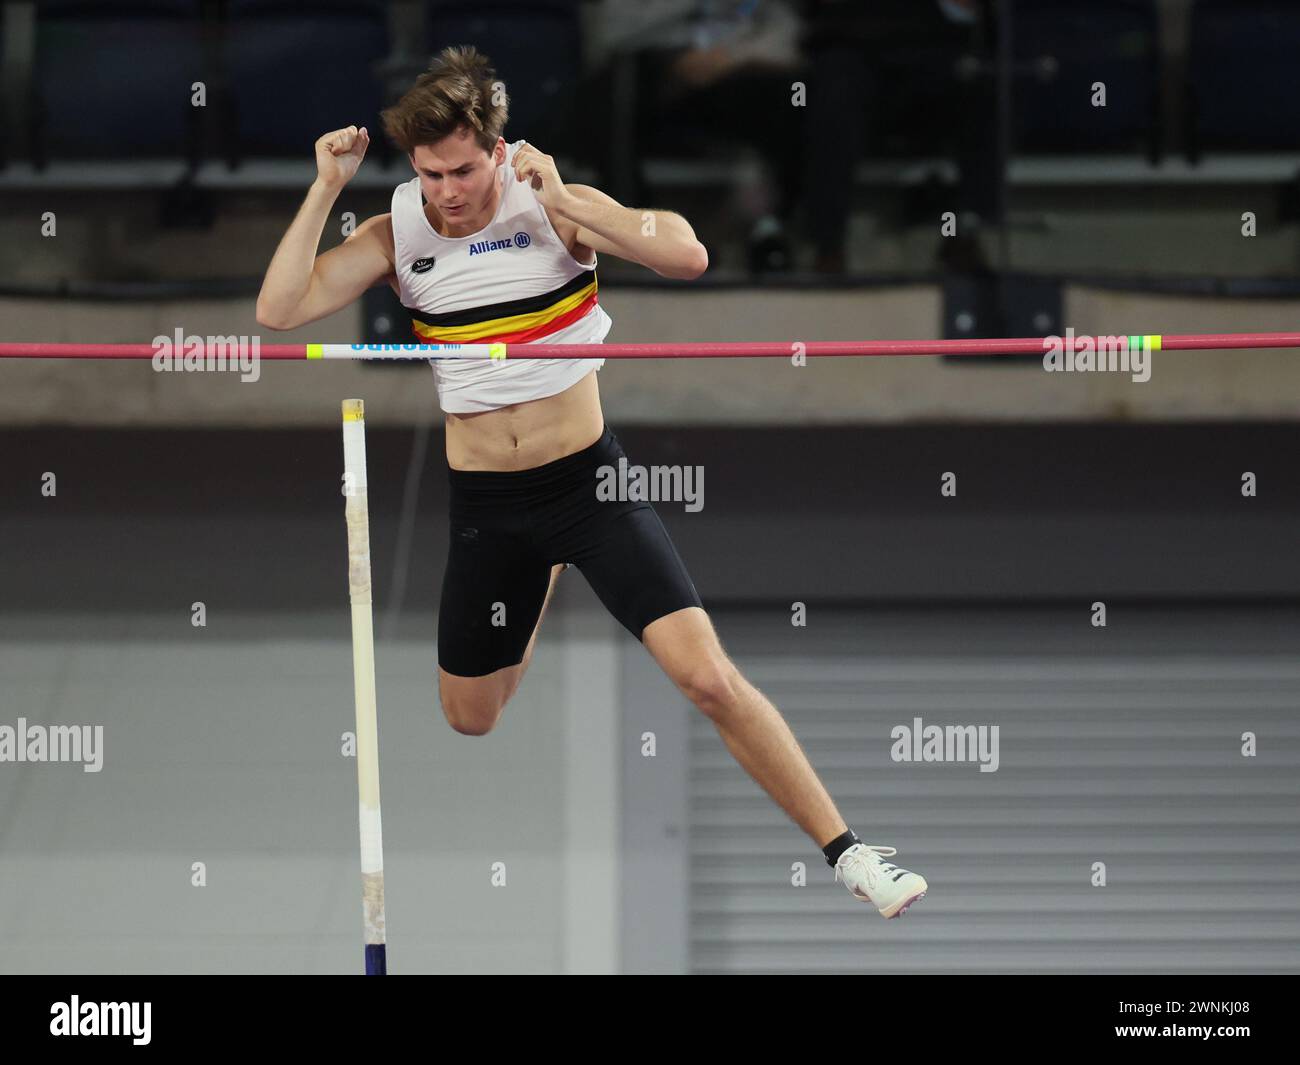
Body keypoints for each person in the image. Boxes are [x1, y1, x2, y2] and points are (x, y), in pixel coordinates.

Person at [255, 45, 927, 919]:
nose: (447, 191)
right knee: (471, 716)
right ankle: (538, 578)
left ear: (498, 151)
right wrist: (324, 190)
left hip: (588, 490)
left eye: (462, 170)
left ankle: (852, 855)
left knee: (708, 679)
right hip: (489, 507)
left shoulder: (553, 209)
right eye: (429, 174)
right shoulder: (398, 231)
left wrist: (566, 198)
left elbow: (686, 256)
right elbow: (278, 311)